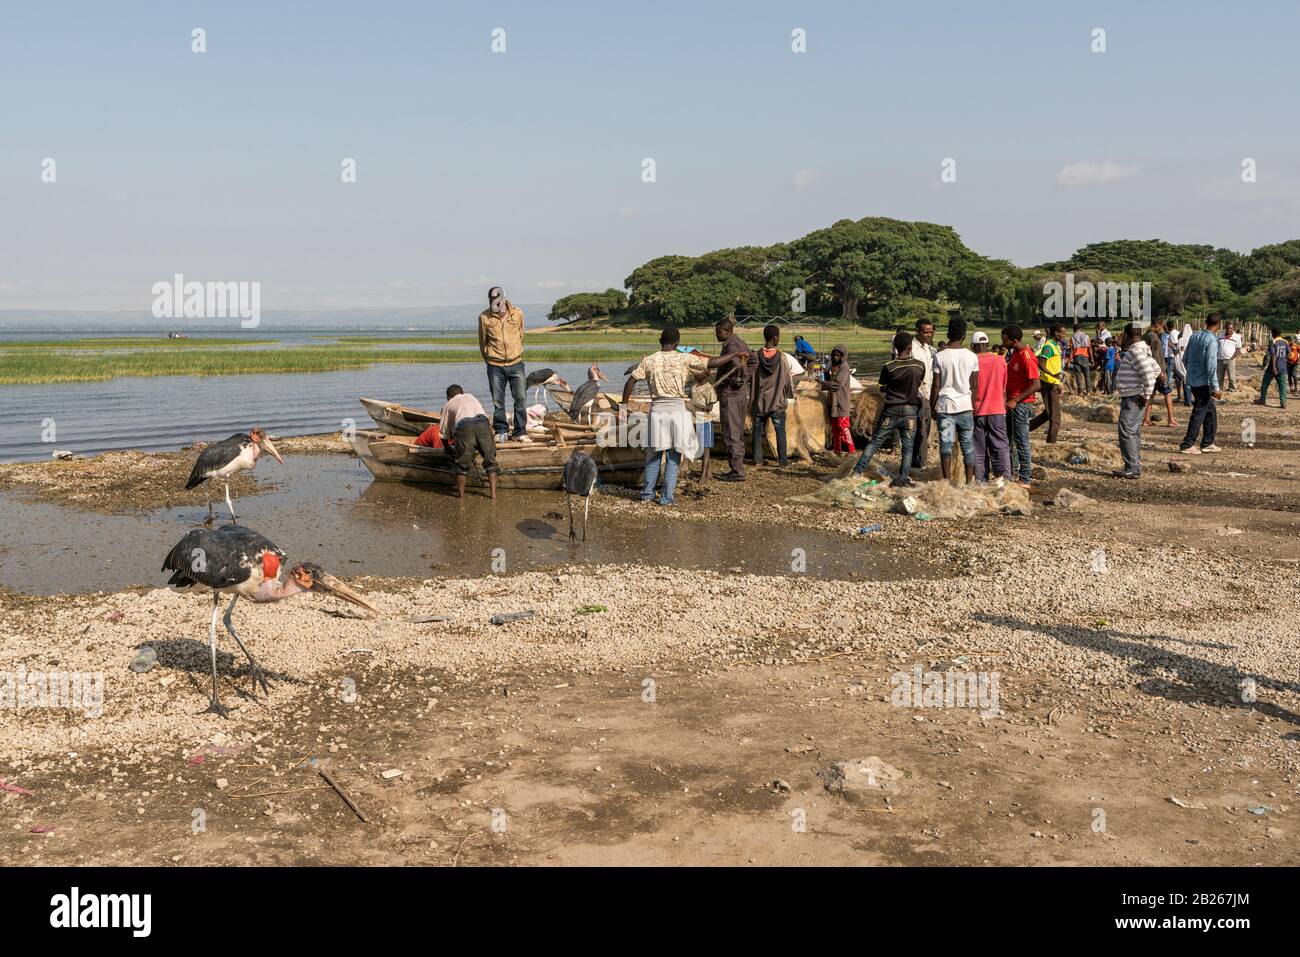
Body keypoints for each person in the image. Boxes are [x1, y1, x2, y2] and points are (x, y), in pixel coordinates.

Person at [625, 327, 741, 503]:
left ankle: (647, 495)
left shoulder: (649, 360)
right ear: (677, 343)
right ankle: (666, 498)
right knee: (674, 454)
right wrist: (734, 355)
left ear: (660, 341)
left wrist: (623, 405)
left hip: (657, 410)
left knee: (653, 454)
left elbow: (630, 381)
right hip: (677, 411)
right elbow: (714, 363)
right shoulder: (684, 358)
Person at [852, 331, 925, 485]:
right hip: (910, 411)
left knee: (875, 442)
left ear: (895, 348)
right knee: (907, 447)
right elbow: (918, 383)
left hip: (891, 410)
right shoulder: (919, 365)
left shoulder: (889, 367)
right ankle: (903, 477)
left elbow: (881, 386)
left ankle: (857, 471)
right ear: (910, 347)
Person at [931, 317, 979, 485]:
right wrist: (972, 406)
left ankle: (947, 481)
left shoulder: (940, 356)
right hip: (965, 408)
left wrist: (932, 407)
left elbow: (936, 385)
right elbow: (974, 386)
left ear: (948, 334)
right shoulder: (972, 357)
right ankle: (968, 482)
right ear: (964, 336)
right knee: (967, 446)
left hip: (946, 408)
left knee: (946, 446)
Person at [478, 286, 528, 443]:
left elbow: (521, 334)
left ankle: (520, 432)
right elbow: (482, 342)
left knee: (521, 399)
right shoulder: (484, 317)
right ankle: (501, 430)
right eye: (493, 300)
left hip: (516, 363)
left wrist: (516, 352)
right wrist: (490, 359)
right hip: (495, 365)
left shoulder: (517, 313)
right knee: (498, 401)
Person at [1113, 323, 1160, 479]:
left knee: (1126, 431)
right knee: (1131, 430)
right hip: (1134, 395)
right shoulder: (1141, 351)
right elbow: (1156, 369)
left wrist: (1145, 395)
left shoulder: (1136, 352)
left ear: (1126, 335)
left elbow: (1148, 374)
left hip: (1134, 397)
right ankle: (1133, 465)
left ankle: (1132, 467)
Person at [439, 385, 498, 500]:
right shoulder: (471, 396)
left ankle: (461, 497)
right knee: (491, 462)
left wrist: (447, 448)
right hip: (483, 423)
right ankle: (493, 496)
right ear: (462, 392)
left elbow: (443, 433)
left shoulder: (448, 404)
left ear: (448, 397)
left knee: (462, 466)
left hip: (465, 426)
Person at [712, 318, 753, 481]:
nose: (716, 335)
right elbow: (753, 360)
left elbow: (739, 363)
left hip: (731, 395)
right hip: (739, 394)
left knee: (731, 433)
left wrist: (739, 378)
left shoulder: (731, 346)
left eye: (718, 332)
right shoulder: (740, 342)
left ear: (727, 331)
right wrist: (745, 379)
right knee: (736, 432)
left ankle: (737, 471)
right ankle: (736, 468)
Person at [748, 324, 794, 468]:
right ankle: (783, 462)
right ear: (775, 338)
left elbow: (749, 377)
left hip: (760, 401)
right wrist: (789, 394)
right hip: (777, 402)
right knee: (780, 431)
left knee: (757, 431)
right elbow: (788, 379)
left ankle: (758, 461)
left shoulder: (755, 356)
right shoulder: (782, 357)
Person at [1179, 314, 1224, 455]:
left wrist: (1191, 373)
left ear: (1206, 322)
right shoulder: (1211, 340)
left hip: (1193, 380)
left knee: (1210, 412)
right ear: (1219, 325)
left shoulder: (1194, 336)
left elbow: (1185, 359)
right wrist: (1216, 387)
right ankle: (1187, 443)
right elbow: (1211, 366)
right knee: (1199, 412)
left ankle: (1208, 442)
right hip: (1203, 382)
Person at [1002, 324, 1040, 487]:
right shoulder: (1014, 353)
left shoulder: (1027, 357)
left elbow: (1035, 385)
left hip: (1021, 405)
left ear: (1015, 340)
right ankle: (1012, 472)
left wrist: (1015, 400)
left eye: (1005, 341)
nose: (1003, 343)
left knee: (1021, 440)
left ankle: (1025, 478)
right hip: (1012, 404)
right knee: (1009, 439)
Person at [971, 331, 1011, 482]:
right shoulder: (1000, 360)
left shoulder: (971, 361)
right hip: (997, 410)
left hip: (977, 411)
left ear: (973, 346)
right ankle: (1004, 480)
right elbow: (1004, 387)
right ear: (988, 345)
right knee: (1000, 447)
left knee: (979, 450)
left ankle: (981, 481)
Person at [1029, 322, 1064, 442]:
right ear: (1056, 333)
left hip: (1053, 382)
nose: (1064, 335)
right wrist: (1053, 376)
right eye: (1062, 333)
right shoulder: (1049, 346)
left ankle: (1025, 429)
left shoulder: (1055, 345)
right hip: (1049, 383)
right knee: (1055, 416)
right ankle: (1051, 442)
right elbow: (1041, 362)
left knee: (1048, 414)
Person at [910, 319, 937, 470]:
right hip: (917, 394)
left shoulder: (928, 348)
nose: (928, 334)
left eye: (930, 332)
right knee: (919, 430)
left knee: (925, 430)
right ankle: (918, 463)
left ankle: (919, 461)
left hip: (928, 393)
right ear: (917, 331)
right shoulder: (912, 348)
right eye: (925, 332)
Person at [1142, 318, 1178, 429]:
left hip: (1149, 370)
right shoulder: (1153, 337)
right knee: (1168, 394)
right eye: (1161, 327)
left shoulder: (1145, 336)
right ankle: (1171, 419)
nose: (1162, 329)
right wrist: (1161, 371)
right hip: (1158, 370)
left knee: (1151, 395)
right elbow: (1156, 354)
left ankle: (1146, 419)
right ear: (1157, 325)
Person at [820, 344, 855, 453]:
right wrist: (825, 373)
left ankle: (851, 450)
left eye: (838, 355)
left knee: (844, 429)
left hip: (841, 403)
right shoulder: (835, 367)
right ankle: (837, 451)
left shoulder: (844, 367)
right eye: (834, 355)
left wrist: (822, 382)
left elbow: (837, 385)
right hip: (833, 403)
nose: (835, 357)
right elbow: (831, 381)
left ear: (843, 356)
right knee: (835, 429)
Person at [1255, 326, 1290, 409]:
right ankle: (1283, 402)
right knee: (1282, 386)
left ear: (1273, 334)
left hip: (1272, 367)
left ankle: (1262, 399)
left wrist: (1274, 367)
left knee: (1265, 384)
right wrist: (1283, 359)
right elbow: (1289, 353)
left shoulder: (1273, 342)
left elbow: (1273, 355)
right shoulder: (1285, 342)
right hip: (1282, 367)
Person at [1217, 322, 1241, 392]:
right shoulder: (1220, 335)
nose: (1228, 329)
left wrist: (1232, 358)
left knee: (1231, 377)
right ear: (1225, 328)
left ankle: (1232, 389)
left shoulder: (1237, 337)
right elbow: (1216, 345)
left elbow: (1238, 349)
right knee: (1219, 377)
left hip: (1230, 360)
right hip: (1219, 360)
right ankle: (1219, 390)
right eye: (1227, 328)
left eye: (1230, 328)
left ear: (1233, 329)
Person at [1069, 323, 1092, 394]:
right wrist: (1092, 359)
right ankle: (1089, 391)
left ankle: (1080, 391)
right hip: (1085, 357)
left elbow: (1072, 350)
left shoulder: (1072, 338)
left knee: (1078, 375)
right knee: (1087, 375)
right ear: (1080, 329)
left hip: (1076, 357)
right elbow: (1089, 349)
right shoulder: (1087, 337)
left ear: (1073, 329)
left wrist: (1070, 360)